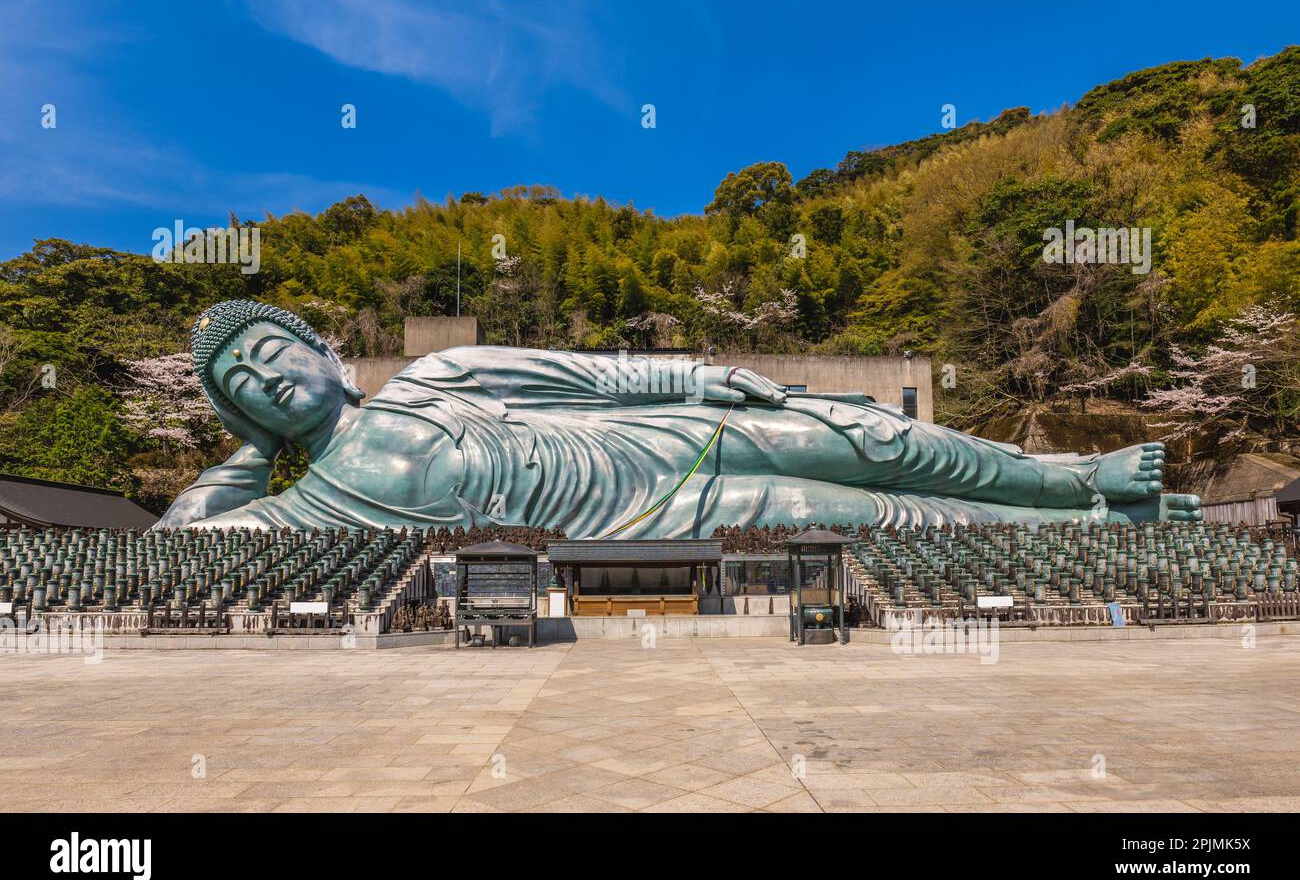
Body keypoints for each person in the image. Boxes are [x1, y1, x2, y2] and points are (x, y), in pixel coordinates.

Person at [157, 300, 1201, 535]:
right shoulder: (315, 502)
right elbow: (175, 550)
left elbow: (596, 376)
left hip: (649, 438)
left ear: (328, 349)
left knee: (871, 436)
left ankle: (1076, 477)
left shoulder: (441, 369)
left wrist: (697, 382)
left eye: (270, 352)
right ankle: (1092, 526)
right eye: (240, 384)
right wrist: (251, 453)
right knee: (869, 515)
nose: (264, 378)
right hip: (652, 513)